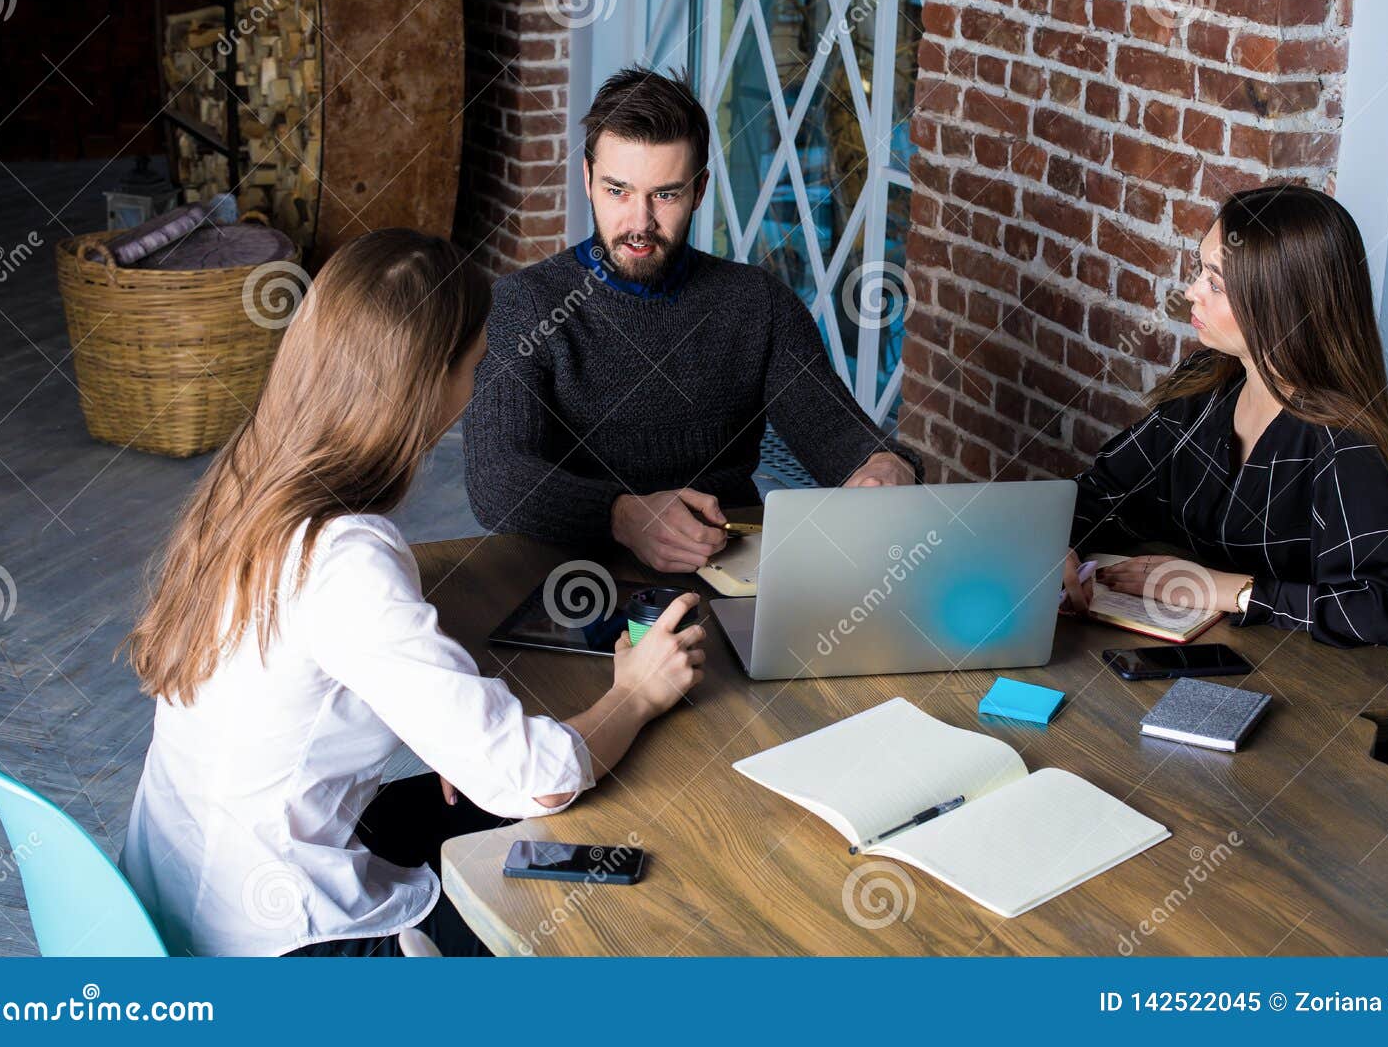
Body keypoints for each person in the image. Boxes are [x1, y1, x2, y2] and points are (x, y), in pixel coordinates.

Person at [117, 229, 707, 957]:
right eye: (475, 362)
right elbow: (538, 779)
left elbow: (327, 652)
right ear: (429, 383)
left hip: (178, 900)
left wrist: (453, 720)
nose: (478, 382)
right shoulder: (346, 562)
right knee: (596, 873)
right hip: (277, 948)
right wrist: (637, 693)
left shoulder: (249, 485)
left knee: (493, 812)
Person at [462, 66, 920, 574]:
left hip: (728, 573)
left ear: (699, 192)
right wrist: (622, 514)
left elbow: (838, 437)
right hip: (574, 578)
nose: (639, 223)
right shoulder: (524, 306)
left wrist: (886, 466)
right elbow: (497, 479)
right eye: (618, 191)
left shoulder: (756, 304)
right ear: (588, 179)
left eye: (665, 194)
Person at [1061, 185, 1388, 650]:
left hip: (1303, 691)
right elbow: (1103, 492)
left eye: (1215, 284)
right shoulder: (1205, 387)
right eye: (1201, 271)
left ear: (1279, 303)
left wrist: (1224, 588)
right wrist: (1060, 547)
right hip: (1182, 651)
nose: (1190, 292)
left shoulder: (1343, 444)